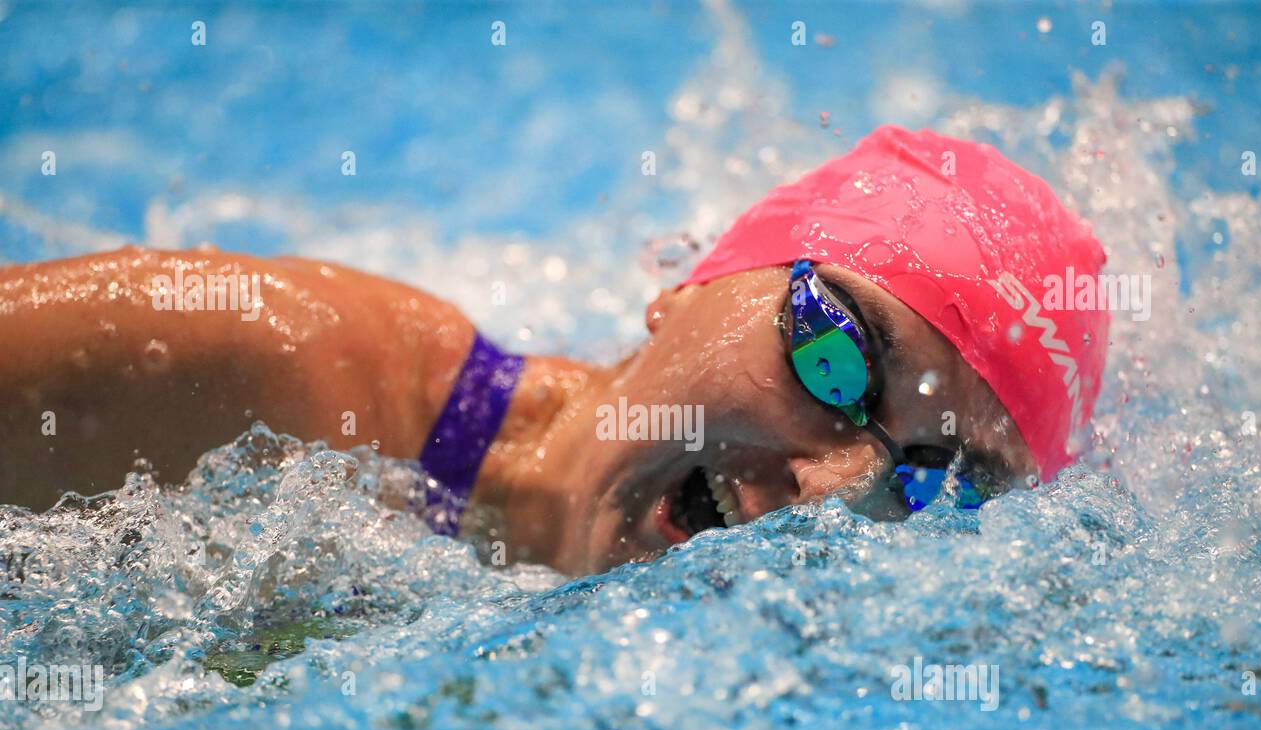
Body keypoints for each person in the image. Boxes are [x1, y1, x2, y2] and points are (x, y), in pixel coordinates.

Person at [0, 126, 1108, 576]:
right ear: (693, 282)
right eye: (833, 361)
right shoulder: (272, 369)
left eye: (930, 478)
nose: (833, 486)